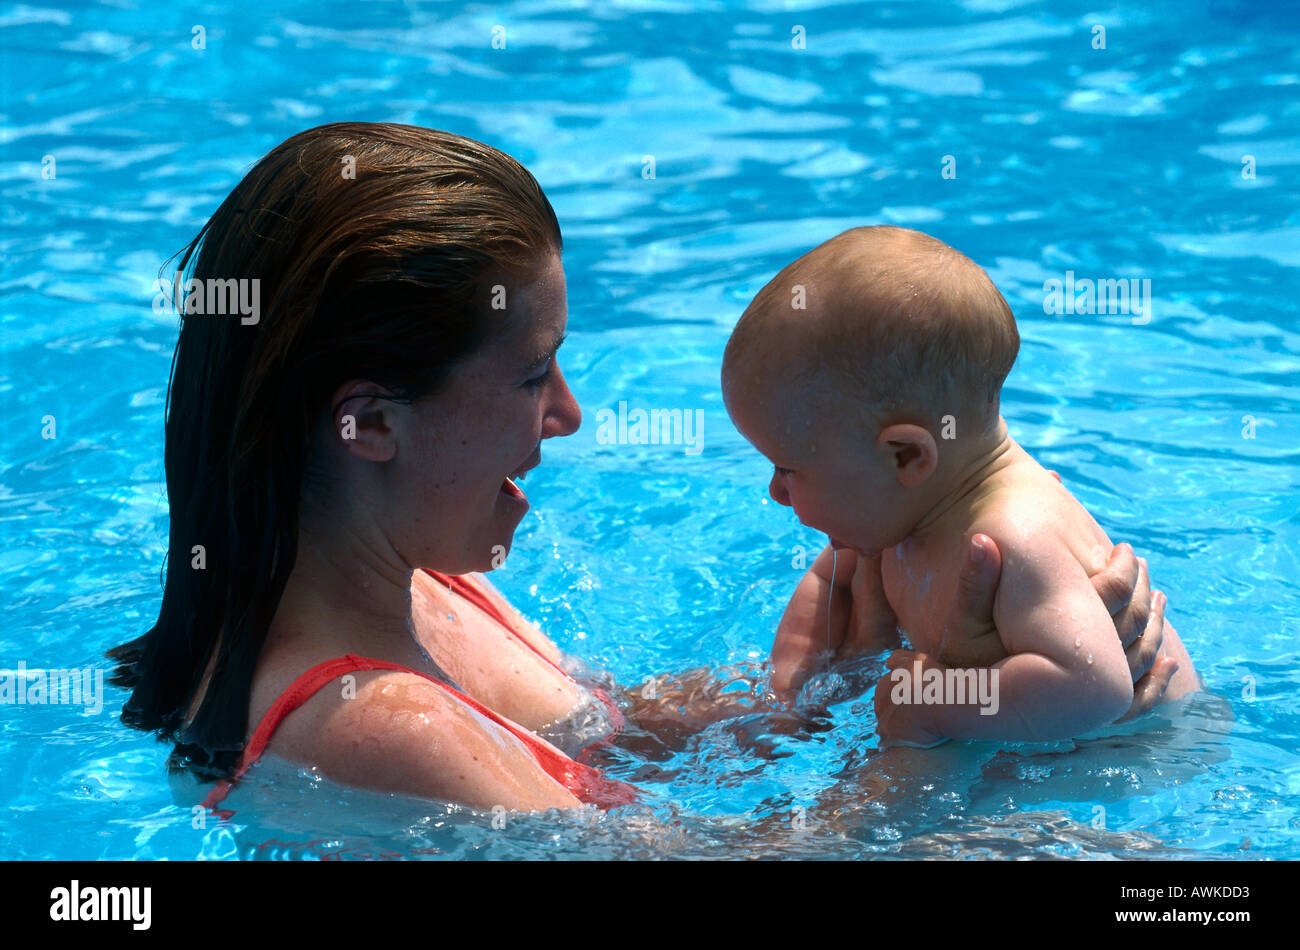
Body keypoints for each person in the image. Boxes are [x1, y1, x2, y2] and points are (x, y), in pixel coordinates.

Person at [108, 124, 1178, 815]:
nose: (570, 414)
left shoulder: (431, 584)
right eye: (533, 374)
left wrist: (859, 673)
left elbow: (622, 735)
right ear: (370, 424)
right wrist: (930, 730)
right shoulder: (383, 726)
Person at [721, 225, 1198, 749]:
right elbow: (828, 585)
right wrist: (789, 695)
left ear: (906, 455)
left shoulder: (1012, 534)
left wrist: (933, 703)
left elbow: (1096, 686)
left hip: (1151, 755)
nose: (774, 492)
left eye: (787, 469)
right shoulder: (904, 510)